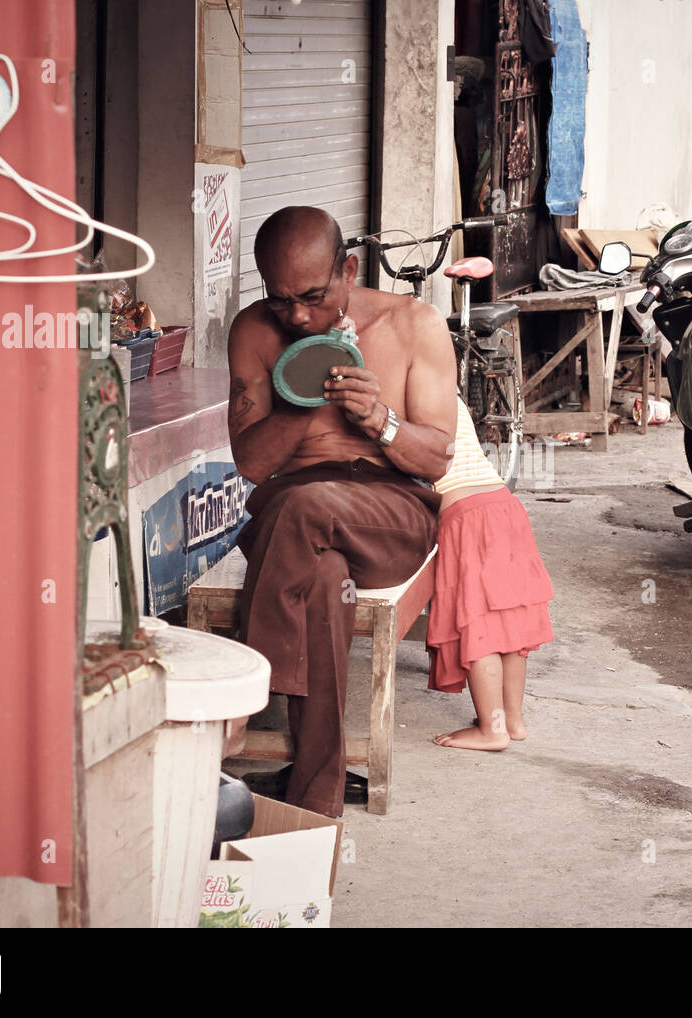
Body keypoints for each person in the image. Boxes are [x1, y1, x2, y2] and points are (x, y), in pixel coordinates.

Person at [226, 206, 457, 817]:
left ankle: (245, 694)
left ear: (348, 269)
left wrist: (378, 421)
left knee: (306, 507)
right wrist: (302, 400)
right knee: (323, 580)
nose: (298, 316)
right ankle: (315, 798)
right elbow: (251, 463)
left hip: (392, 508)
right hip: (295, 514)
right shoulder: (255, 330)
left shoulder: (415, 324)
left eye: (312, 296)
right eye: (280, 301)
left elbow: (436, 460)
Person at [427, 396, 554, 751]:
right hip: (504, 504)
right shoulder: (446, 390)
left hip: (466, 515)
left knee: (479, 624)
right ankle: (512, 720)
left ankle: (491, 729)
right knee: (509, 625)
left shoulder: (397, 393)